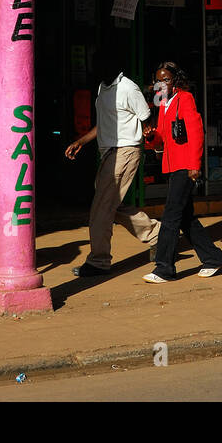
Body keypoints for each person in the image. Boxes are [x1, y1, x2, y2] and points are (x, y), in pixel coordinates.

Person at [64, 54, 161, 277]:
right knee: (111, 205)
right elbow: (104, 124)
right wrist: (81, 141)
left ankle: (98, 261)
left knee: (101, 208)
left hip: (125, 151)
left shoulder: (128, 88)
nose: (95, 70)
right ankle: (158, 234)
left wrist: (150, 136)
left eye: (100, 66)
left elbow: (147, 118)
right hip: (108, 153)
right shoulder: (103, 88)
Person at [142, 62, 222, 283]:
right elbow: (162, 136)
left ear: (175, 80)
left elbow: (196, 132)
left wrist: (194, 165)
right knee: (185, 218)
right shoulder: (163, 102)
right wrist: (151, 136)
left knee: (171, 215)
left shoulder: (186, 98)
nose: (162, 84)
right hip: (172, 165)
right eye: (158, 80)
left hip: (185, 166)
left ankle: (164, 268)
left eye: (166, 79)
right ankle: (214, 258)